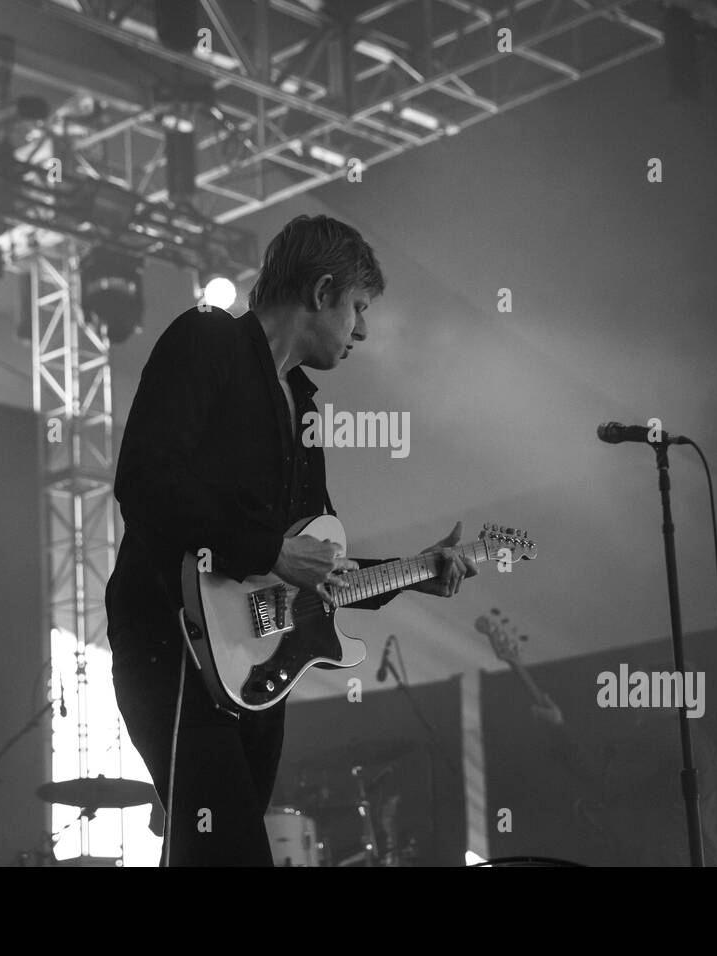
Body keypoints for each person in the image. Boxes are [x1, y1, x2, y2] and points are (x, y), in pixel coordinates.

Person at [105, 214, 477, 866]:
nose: (361, 329)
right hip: (173, 649)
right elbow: (145, 478)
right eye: (358, 307)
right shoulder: (206, 339)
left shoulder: (302, 406)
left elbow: (315, 566)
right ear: (322, 290)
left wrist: (418, 570)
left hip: (256, 672)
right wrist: (270, 551)